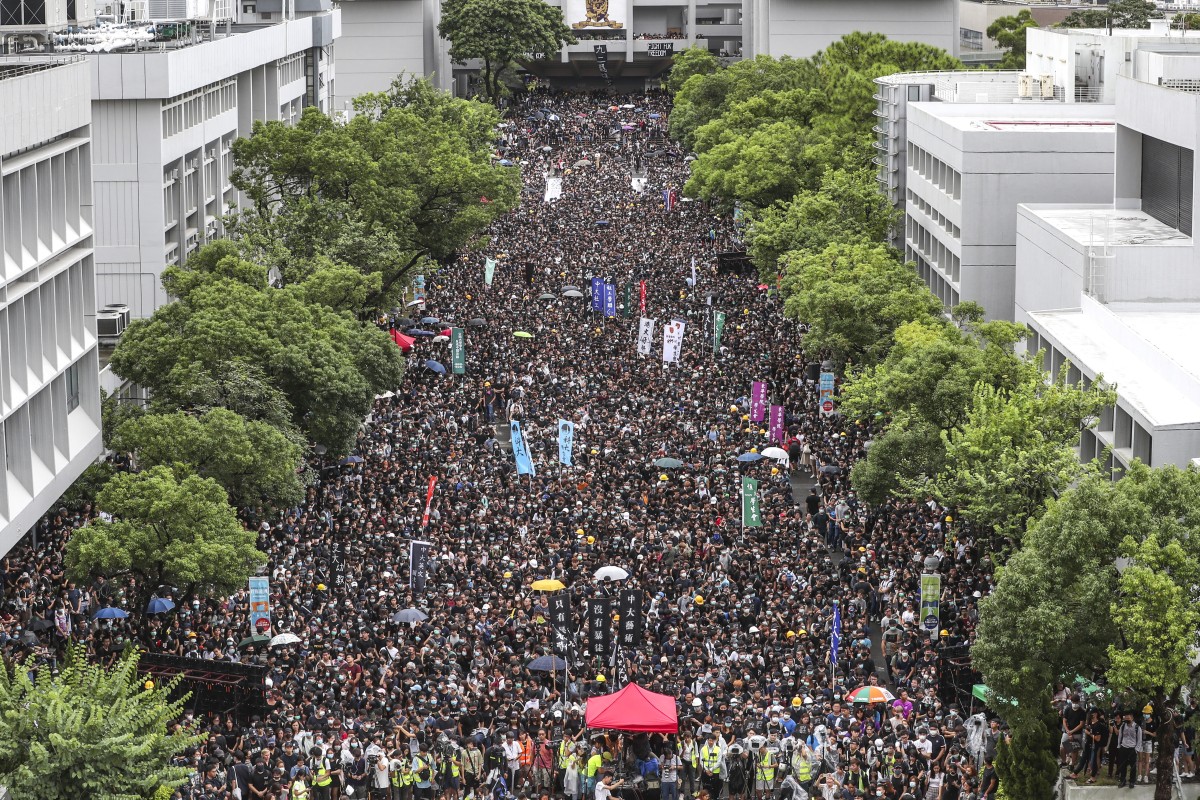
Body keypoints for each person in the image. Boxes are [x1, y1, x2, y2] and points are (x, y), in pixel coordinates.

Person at [1115, 711, 1143, 789]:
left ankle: (1132, 781)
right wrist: (1119, 746)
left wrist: (1136, 749)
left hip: (1132, 749)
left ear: (1132, 718)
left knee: (1133, 766)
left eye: (1128, 717)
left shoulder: (1137, 727)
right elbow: (1120, 736)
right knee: (1123, 765)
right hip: (1123, 747)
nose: (1127, 718)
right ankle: (1123, 780)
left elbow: (1139, 740)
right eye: (1126, 717)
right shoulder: (1123, 726)